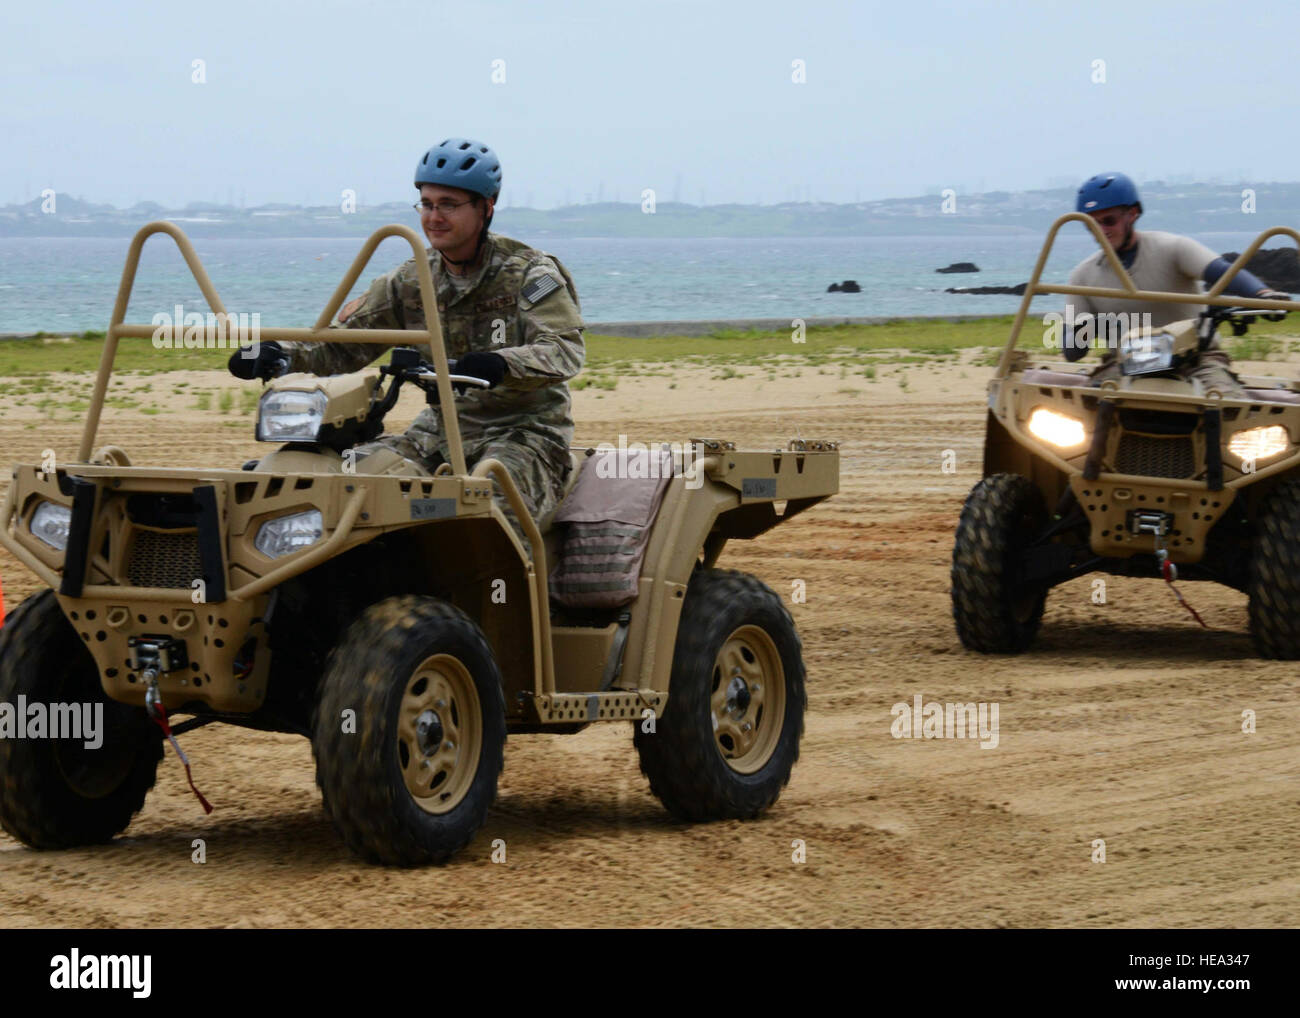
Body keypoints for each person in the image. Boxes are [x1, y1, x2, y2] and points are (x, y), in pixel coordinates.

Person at [230, 137, 585, 545]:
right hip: (437, 430)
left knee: (490, 510)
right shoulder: (411, 280)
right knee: (338, 486)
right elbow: (343, 347)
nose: (434, 217)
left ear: (486, 206)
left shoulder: (529, 273)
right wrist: (279, 356)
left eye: (448, 204)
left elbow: (564, 351)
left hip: (525, 431)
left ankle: (500, 602)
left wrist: (500, 364)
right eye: (427, 204)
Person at [1060, 172, 1289, 397]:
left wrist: (1263, 294)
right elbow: (1071, 352)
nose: (1101, 231)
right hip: (1127, 362)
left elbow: (1221, 272)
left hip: (1197, 359)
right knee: (1091, 405)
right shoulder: (1082, 277)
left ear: (1133, 214)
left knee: (1226, 404)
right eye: (1092, 225)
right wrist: (1086, 329)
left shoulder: (1171, 248)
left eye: (1109, 220)